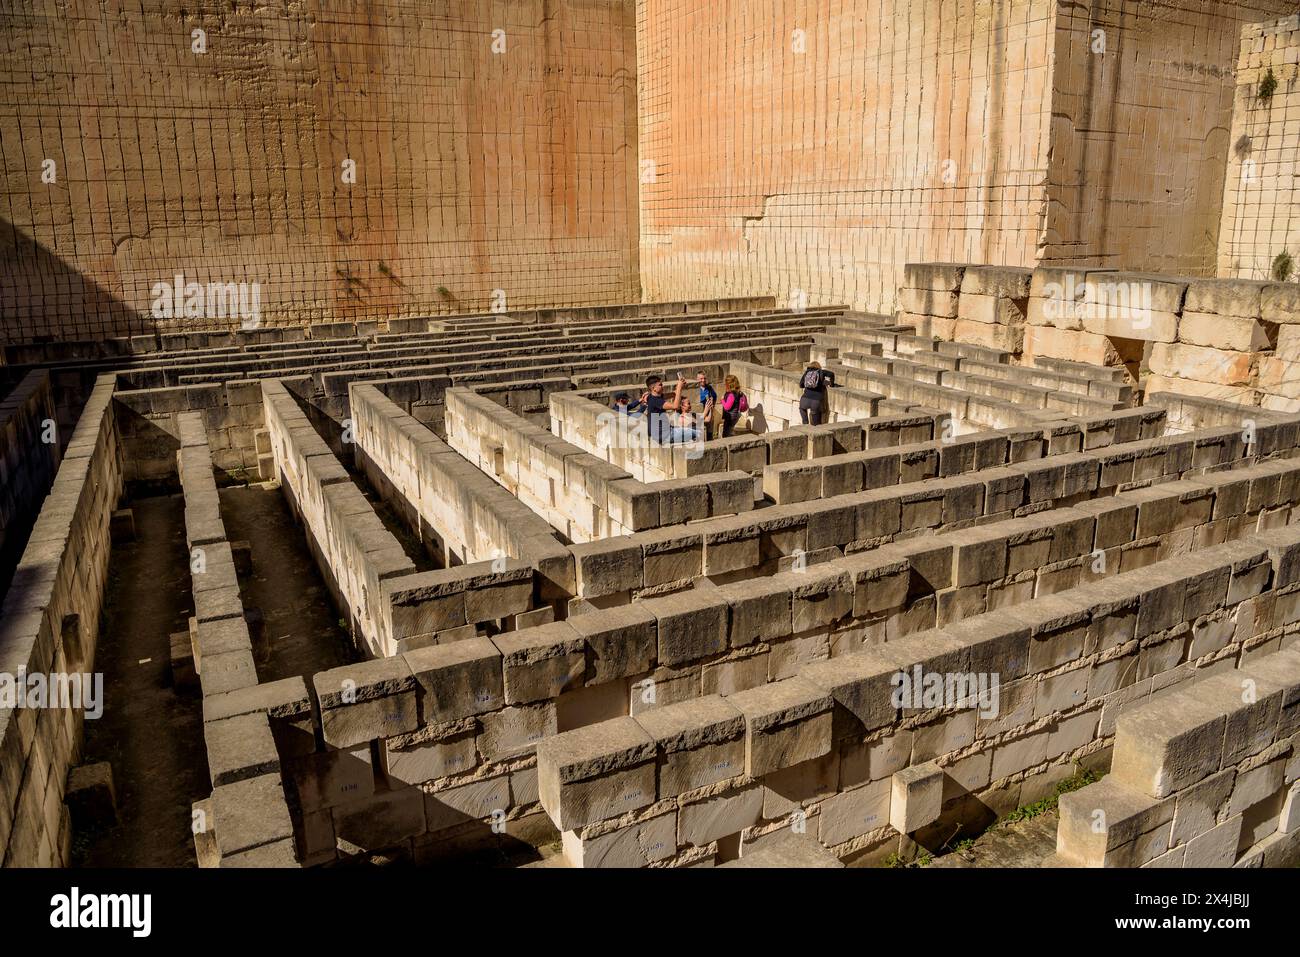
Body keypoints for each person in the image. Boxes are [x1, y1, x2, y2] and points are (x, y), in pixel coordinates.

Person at [640, 372, 686, 444]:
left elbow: (673, 394)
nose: (662, 386)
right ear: (653, 388)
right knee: (697, 433)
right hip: (663, 435)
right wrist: (679, 387)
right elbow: (675, 406)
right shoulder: (656, 400)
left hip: (661, 432)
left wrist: (680, 386)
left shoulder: (651, 396)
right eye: (660, 385)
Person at [798, 361, 836, 426]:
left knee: (803, 415)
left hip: (804, 400)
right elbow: (831, 374)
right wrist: (831, 384)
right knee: (816, 426)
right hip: (816, 401)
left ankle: (805, 424)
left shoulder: (807, 373)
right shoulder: (821, 372)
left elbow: (801, 385)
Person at [719, 374, 748, 438]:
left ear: (728, 385)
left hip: (730, 417)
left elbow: (727, 407)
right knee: (730, 431)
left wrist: (722, 400)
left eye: (725, 384)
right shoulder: (739, 392)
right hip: (736, 415)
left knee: (726, 434)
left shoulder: (731, 395)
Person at [695, 371, 718, 440]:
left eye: (704, 378)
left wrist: (712, 404)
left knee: (710, 434)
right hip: (700, 415)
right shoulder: (696, 389)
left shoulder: (709, 387)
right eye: (701, 378)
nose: (703, 380)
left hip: (709, 414)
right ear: (697, 379)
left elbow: (715, 396)